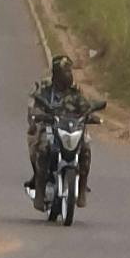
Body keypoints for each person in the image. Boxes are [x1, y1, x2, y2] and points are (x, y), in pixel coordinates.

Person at [28, 50, 91, 197]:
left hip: (71, 128)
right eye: (65, 71)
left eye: (69, 70)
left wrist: (89, 116)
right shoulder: (45, 90)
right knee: (42, 148)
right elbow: (33, 107)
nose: (68, 74)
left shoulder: (75, 92)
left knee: (86, 149)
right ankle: (40, 187)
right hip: (50, 127)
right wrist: (38, 115)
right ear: (56, 73)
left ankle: (82, 188)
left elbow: (85, 108)